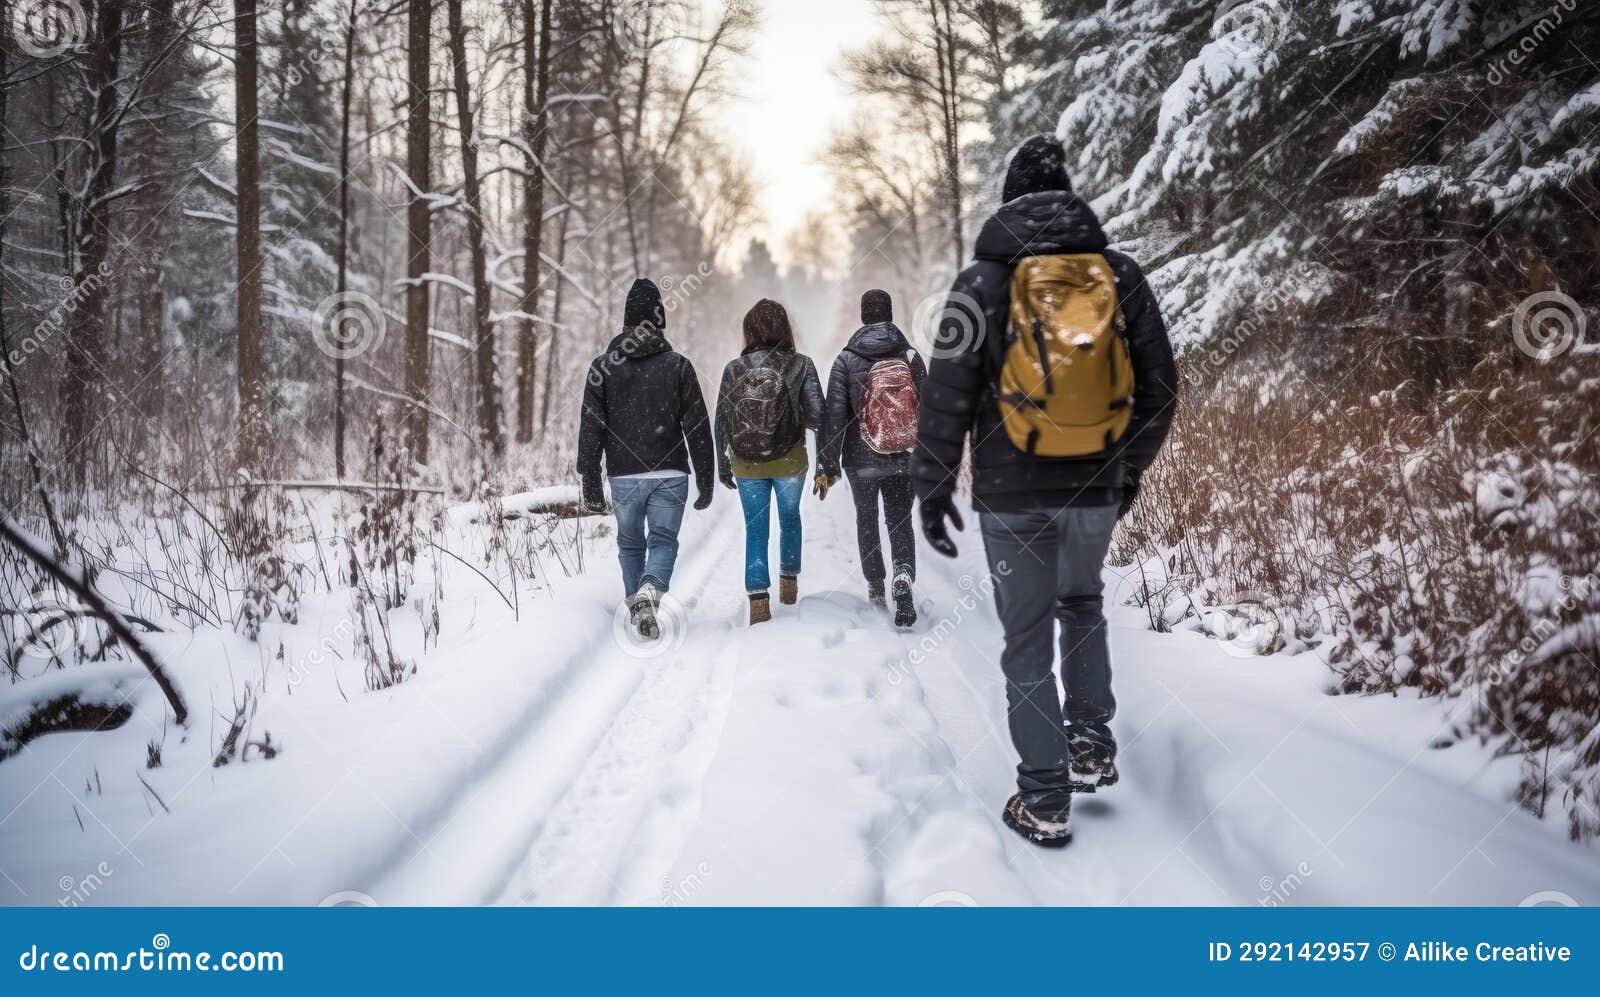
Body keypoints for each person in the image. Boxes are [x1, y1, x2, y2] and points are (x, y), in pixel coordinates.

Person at [911, 135, 1178, 847]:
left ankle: (1044, 798)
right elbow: (1160, 391)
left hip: (1009, 493)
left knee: (1026, 639)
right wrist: (1125, 470)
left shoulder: (978, 285)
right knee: (1082, 602)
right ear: (1066, 193)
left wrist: (933, 489)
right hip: (1093, 485)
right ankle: (1091, 742)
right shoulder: (1118, 276)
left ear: (1009, 199)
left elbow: (946, 394)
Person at [577, 278, 715, 639]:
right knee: (663, 540)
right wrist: (706, 478)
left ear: (625, 323)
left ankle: (636, 602)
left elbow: (590, 429)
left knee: (630, 542)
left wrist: (590, 479)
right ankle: (649, 593)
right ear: (661, 322)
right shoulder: (678, 366)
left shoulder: (602, 367)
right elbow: (698, 426)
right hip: (670, 472)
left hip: (623, 474)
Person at [818, 289, 926, 628]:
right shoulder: (910, 356)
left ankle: (877, 585)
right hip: (904, 454)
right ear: (890, 314)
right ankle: (903, 576)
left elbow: (834, 415)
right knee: (900, 520)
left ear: (863, 316)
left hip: (861, 459)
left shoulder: (846, 360)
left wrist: (828, 464)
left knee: (866, 519)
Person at [714, 299, 825, 625]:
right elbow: (820, 415)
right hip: (790, 460)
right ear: (784, 329)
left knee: (755, 529)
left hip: (746, 463)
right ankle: (789, 586)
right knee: (790, 518)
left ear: (749, 331)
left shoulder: (734, 368)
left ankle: (758, 601)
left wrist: (722, 460)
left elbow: (722, 418)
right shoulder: (801, 365)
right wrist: (826, 464)